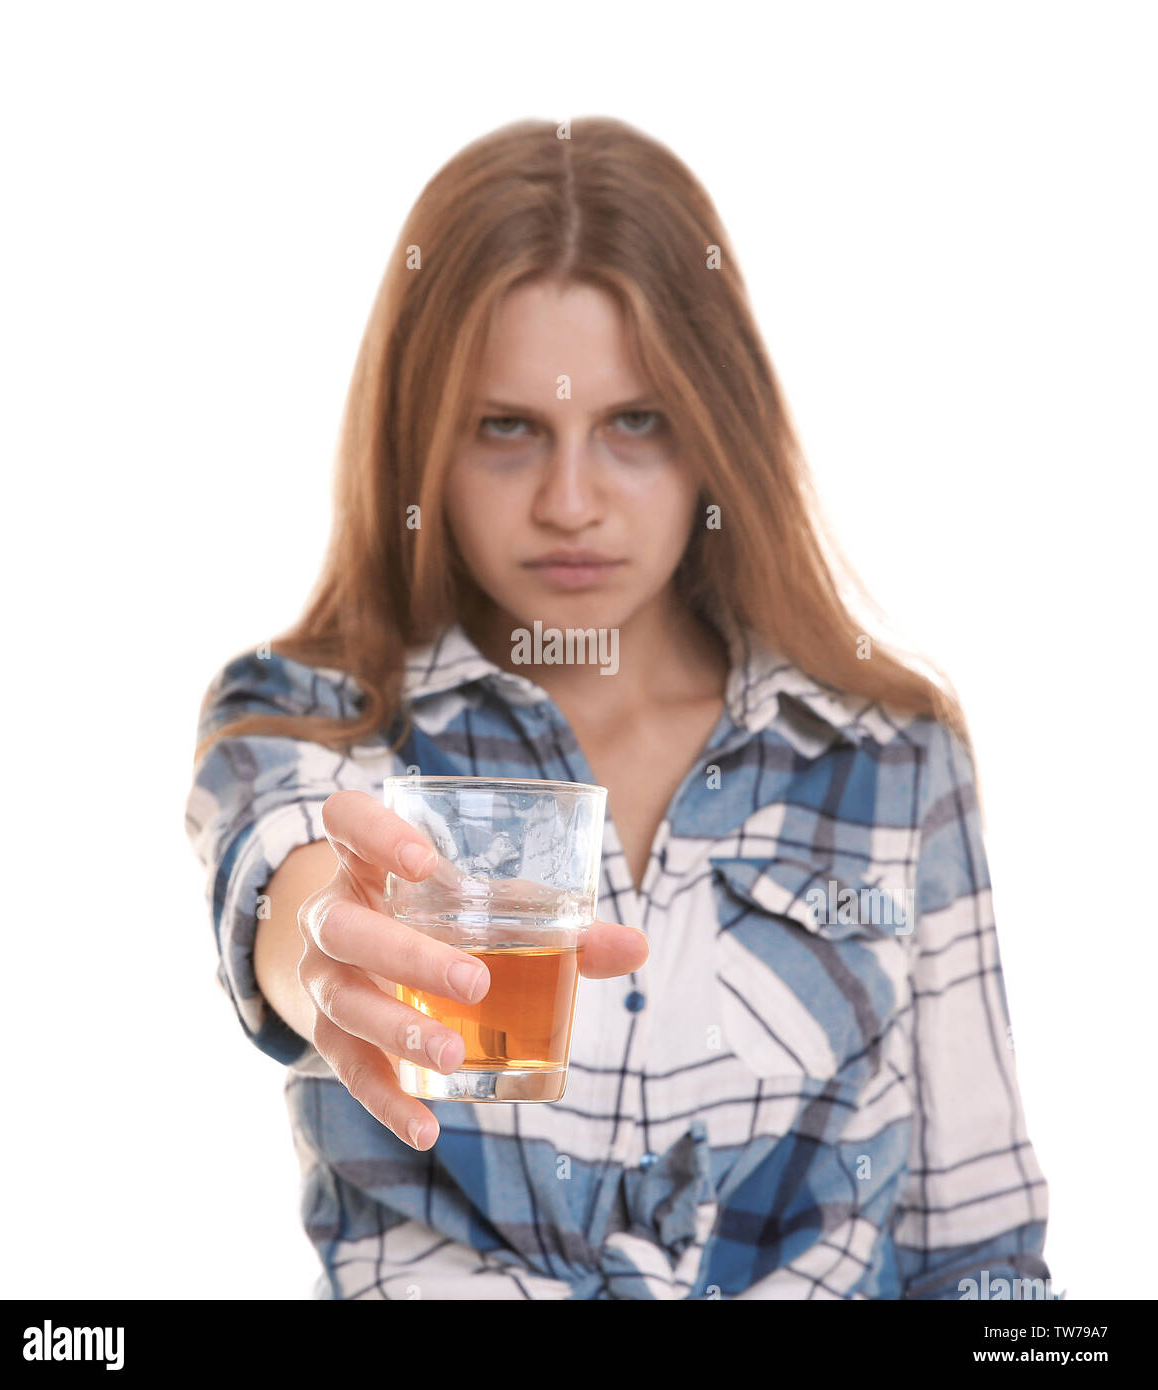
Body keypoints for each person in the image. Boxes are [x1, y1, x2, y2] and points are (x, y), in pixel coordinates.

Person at [185, 117, 1056, 1300]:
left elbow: (984, 1259)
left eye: (633, 424)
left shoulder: (893, 757)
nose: (571, 500)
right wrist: (325, 947)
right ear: (420, 446)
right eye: (508, 429)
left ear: (714, 433)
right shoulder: (312, 721)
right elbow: (282, 881)